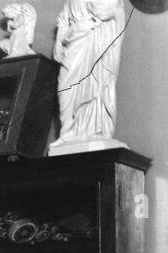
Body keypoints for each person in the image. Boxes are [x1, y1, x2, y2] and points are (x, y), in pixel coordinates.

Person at [50, 0, 125, 152]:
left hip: (97, 40)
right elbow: (64, 19)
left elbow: (116, 12)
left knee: (95, 84)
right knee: (64, 87)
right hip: (74, 41)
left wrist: (111, 13)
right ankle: (67, 132)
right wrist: (59, 43)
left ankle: (95, 130)